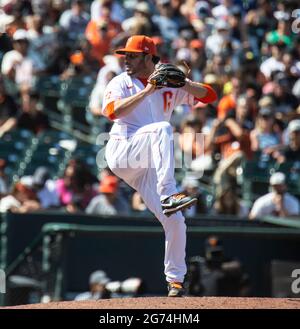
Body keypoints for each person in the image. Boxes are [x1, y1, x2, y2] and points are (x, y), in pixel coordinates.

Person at [101, 35, 217, 297]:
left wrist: (185, 83)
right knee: (162, 129)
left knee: (176, 221)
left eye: (132, 55)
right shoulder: (120, 82)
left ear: (149, 58)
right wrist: (148, 90)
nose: (126, 60)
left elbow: (210, 96)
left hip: (149, 165)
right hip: (123, 151)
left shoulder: (168, 85)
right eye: (125, 55)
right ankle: (168, 194)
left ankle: (175, 282)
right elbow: (111, 112)